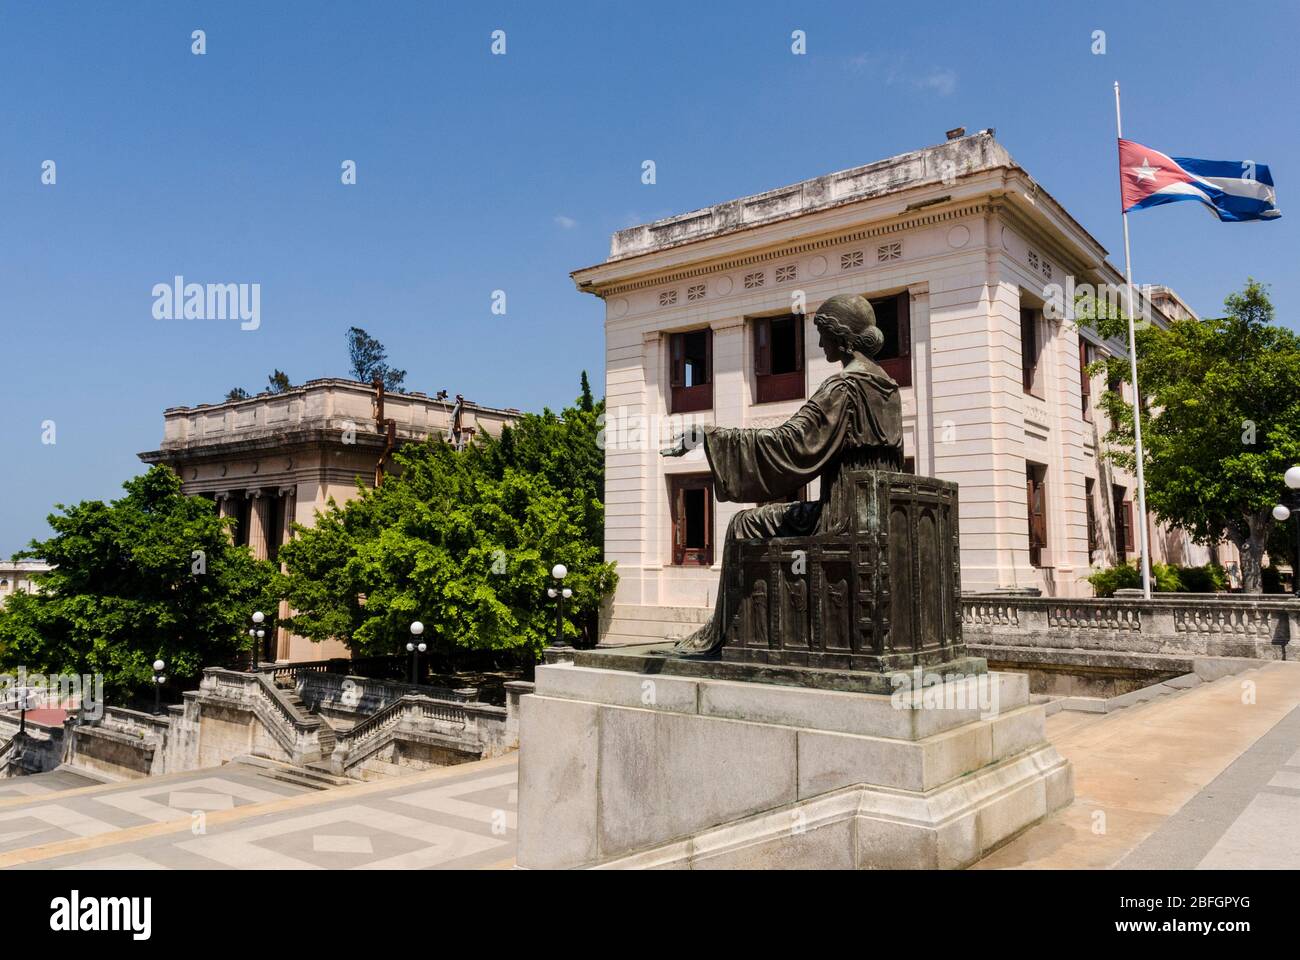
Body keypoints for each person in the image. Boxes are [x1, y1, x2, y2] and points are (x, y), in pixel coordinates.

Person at [659, 293, 904, 655]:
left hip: (842, 515)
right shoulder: (888, 388)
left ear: (841, 336)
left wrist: (706, 436)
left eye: (824, 334)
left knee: (744, 524)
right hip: (882, 512)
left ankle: (730, 633)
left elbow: (788, 444)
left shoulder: (843, 388)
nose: (820, 343)